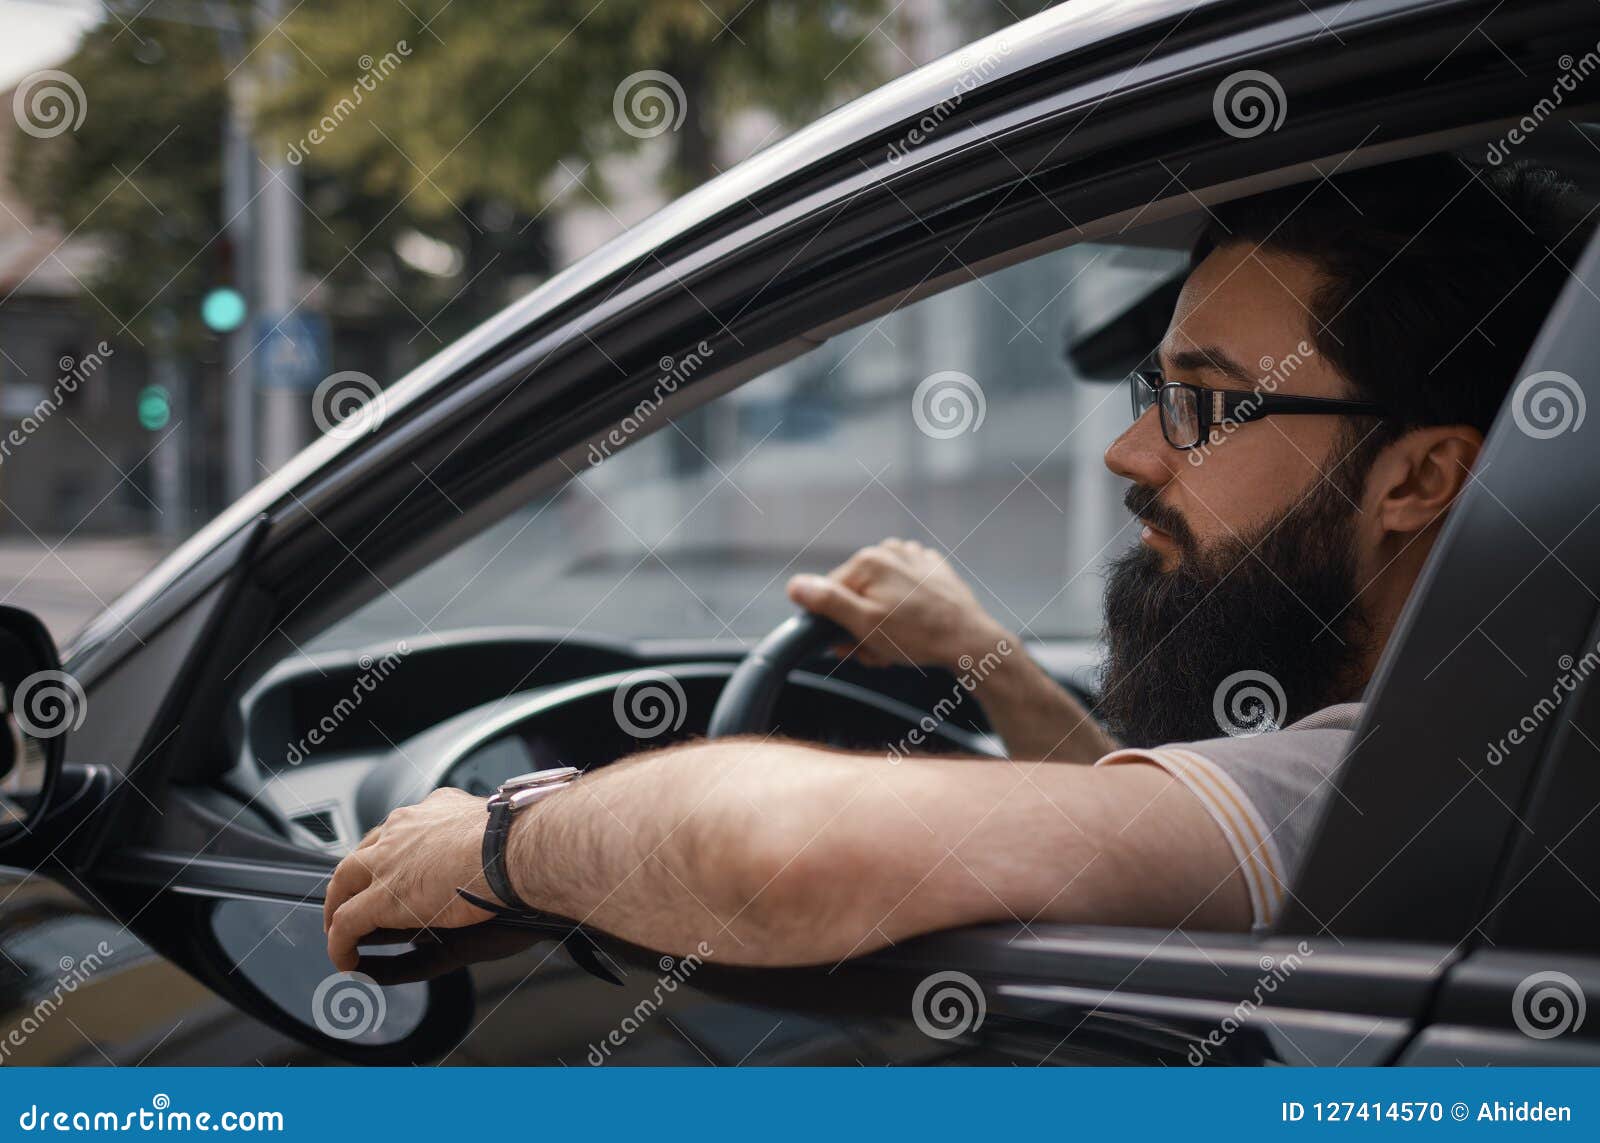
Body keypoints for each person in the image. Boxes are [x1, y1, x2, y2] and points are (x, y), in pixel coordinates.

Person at [324, 156, 1591, 972]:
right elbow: (1153, 840)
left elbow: (783, 853)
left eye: (1203, 403)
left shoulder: (1392, 771)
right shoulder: (1478, 744)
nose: (1131, 450)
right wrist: (984, 660)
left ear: (1419, 476)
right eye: (1154, 387)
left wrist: (498, 841)